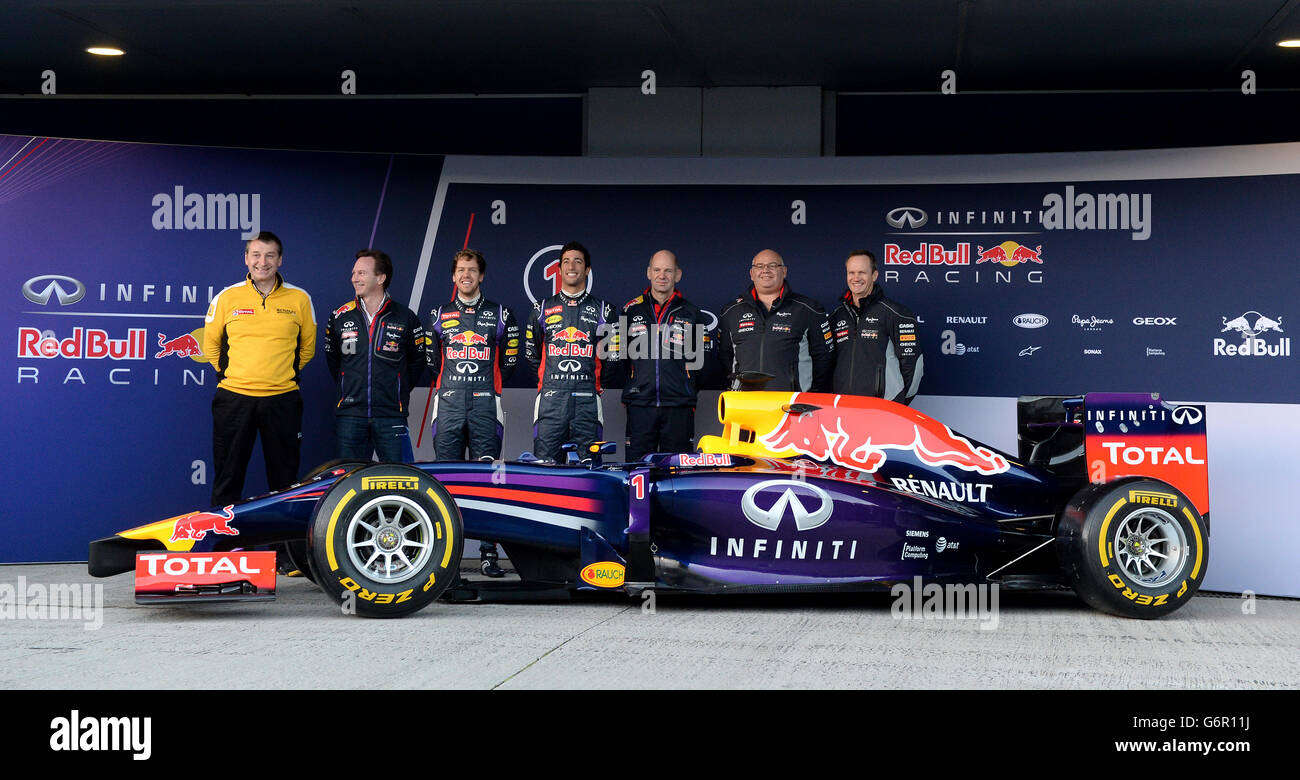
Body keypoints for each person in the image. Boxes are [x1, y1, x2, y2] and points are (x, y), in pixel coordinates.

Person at [203, 231, 316, 508]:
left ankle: (282, 551)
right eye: (256, 255)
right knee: (227, 478)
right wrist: (237, 376)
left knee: (284, 481)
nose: (262, 262)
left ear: (280, 260)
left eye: (269, 255)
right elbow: (211, 347)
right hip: (234, 399)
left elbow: (307, 349)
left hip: (282, 400)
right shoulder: (227, 297)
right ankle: (225, 548)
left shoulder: (300, 299)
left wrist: (276, 376)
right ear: (246, 259)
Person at [426, 248, 519, 577]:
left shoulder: (501, 314)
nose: (466, 275)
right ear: (453, 276)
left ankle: (488, 554)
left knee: (486, 481)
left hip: (485, 403)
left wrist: (486, 387)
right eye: (460, 270)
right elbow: (431, 362)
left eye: (472, 269)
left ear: (482, 276)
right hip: (448, 403)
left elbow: (509, 362)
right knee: (445, 481)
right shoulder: (439, 315)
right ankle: (442, 558)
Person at [323, 249, 427, 462]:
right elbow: (334, 360)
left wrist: (396, 389)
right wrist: (349, 385)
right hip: (350, 413)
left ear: (380, 278)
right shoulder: (339, 316)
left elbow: (417, 362)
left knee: (398, 479)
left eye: (361, 273)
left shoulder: (405, 317)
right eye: (354, 273)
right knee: (347, 479)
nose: (354, 278)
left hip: (390, 414)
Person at [524, 241, 620, 462]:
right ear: (559, 269)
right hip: (550, 401)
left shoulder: (605, 310)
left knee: (589, 470)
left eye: (578, 261)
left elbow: (612, 358)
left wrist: (595, 384)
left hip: (588, 402)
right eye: (566, 261)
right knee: (546, 469)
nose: (572, 266)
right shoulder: (541, 309)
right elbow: (532, 355)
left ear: (587, 270)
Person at [621, 250, 711, 461]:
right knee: (637, 470)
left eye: (668, 270)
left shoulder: (692, 312)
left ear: (677, 275)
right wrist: (635, 383)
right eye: (658, 270)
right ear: (649, 273)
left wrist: (686, 388)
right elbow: (623, 358)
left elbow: (702, 361)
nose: (662, 275)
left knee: (677, 473)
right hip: (640, 404)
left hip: (678, 405)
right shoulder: (631, 311)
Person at [715, 249, 833, 392]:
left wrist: (807, 396)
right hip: (744, 402)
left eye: (772, 265)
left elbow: (823, 359)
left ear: (784, 271)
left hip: (791, 404)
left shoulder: (808, 309)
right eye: (759, 266)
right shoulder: (731, 311)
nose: (765, 270)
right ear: (752, 274)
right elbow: (725, 357)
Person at [830, 249, 924, 404]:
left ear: (874, 275)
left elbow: (913, 365)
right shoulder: (837, 316)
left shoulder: (896, 313)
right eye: (851, 273)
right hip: (842, 406)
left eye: (862, 272)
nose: (856, 278)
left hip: (883, 408)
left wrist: (898, 402)